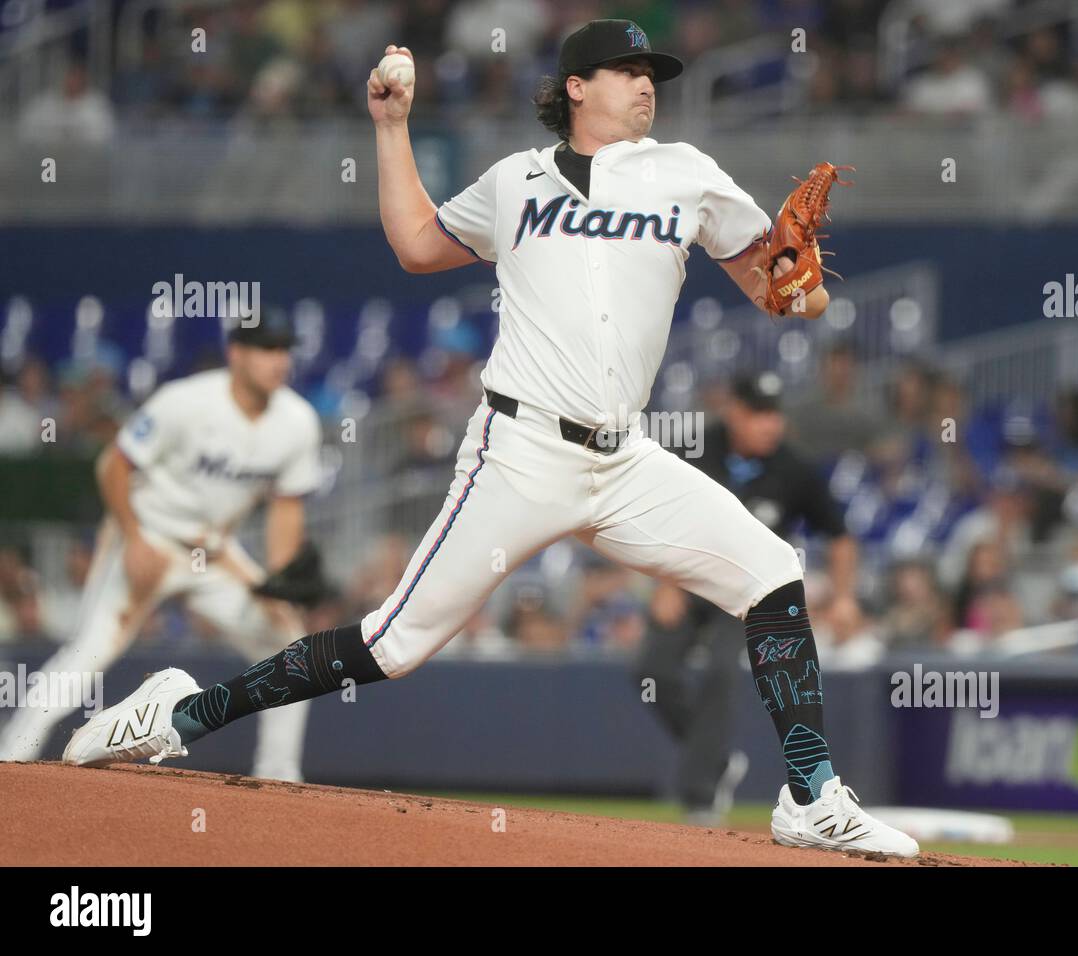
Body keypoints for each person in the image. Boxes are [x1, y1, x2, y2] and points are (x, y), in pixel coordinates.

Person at [63, 19, 918, 858]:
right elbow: (416, 245)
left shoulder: (685, 174)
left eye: (651, 70)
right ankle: (176, 715)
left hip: (625, 457)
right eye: (626, 69)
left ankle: (812, 798)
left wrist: (802, 286)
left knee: (773, 572)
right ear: (577, 87)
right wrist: (392, 128)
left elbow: (783, 294)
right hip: (522, 453)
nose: (646, 82)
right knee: (392, 644)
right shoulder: (517, 181)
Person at [1, 314, 321, 780]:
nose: (279, 360)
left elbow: (286, 508)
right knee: (87, 653)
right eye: (267, 348)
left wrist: (277, 583)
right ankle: (12, 756)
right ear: (236, 354)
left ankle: (280, 777)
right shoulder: (186, 402)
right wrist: (133, 540)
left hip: (215, 554)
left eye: (284, 349)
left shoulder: (298, 421)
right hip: (149, 537)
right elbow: (113, 466)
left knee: (289, 646)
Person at [637, 372, 866, 825]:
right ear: (734, 411)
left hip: (750, 593)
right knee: (649, 673)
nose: (770, 425)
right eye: (759, 414)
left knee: (721, 672)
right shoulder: (696, 448)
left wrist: (844, 597)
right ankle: (715, 760)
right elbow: (658, 515)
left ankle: (701, 797)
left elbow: (840, 536)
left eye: (775, 414)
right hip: (688, 579)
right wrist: (662, 582)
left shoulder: (794, 467)